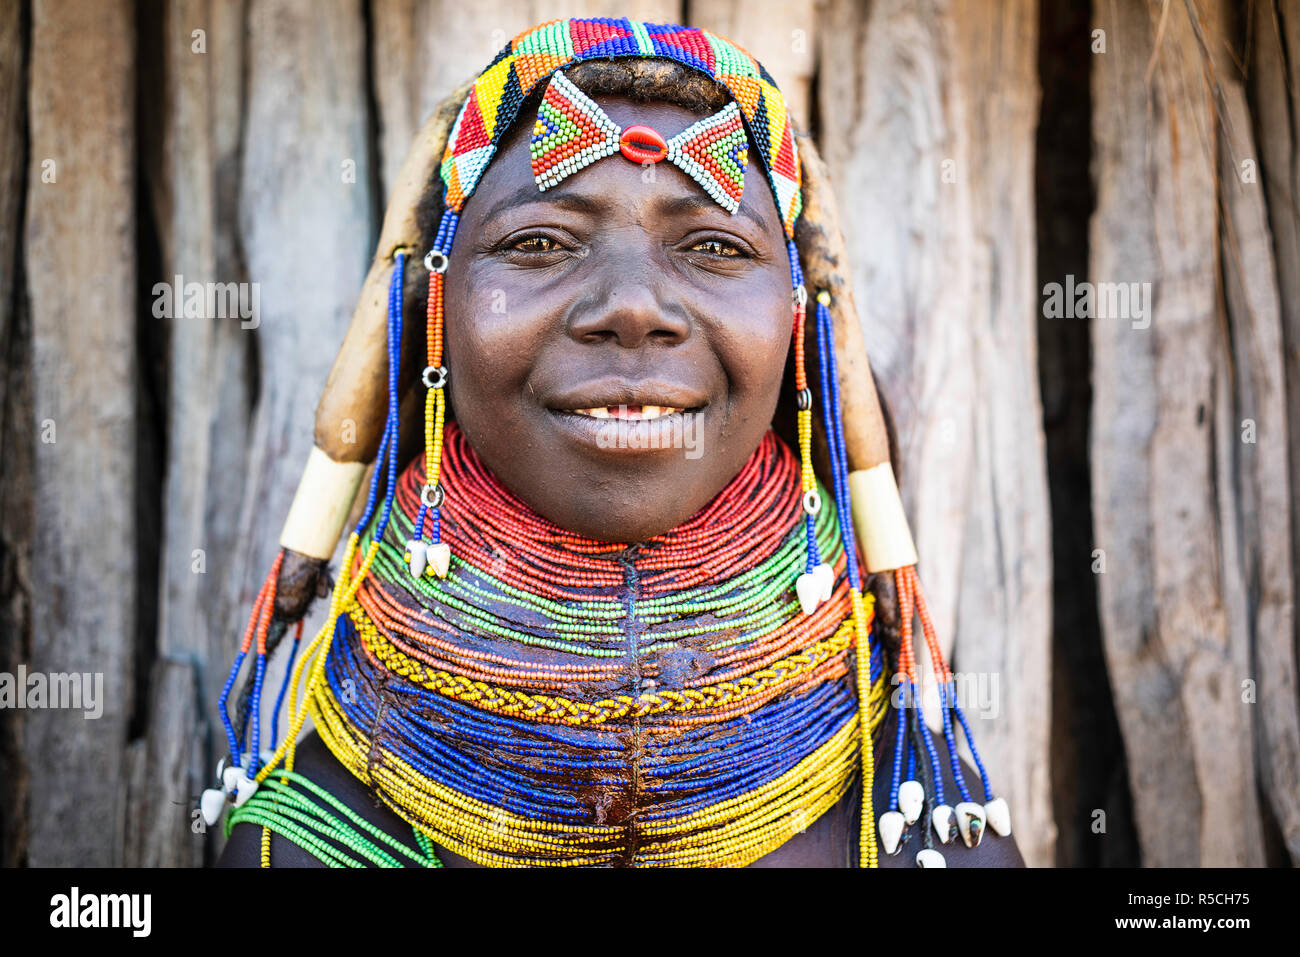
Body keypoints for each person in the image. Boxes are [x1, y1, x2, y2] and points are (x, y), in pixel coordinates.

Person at [212, 17, 1024, 868]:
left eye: (714, 245)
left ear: (798, 318)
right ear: (436, 312)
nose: (633, 306)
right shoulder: (305, 845)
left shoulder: (915, 835)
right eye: (537, 243)